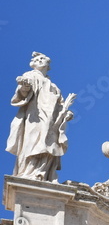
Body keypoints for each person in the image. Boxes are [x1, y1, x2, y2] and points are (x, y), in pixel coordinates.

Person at [7, 52, 75, 181]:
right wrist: (24, 87)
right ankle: (29, 172)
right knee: (33, 141)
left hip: (52, 121)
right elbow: (21, 94)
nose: (39, 61)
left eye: (42, 59)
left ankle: (43, 173)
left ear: (48, 65)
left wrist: (66, 113)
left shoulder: (54, 86)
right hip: (35, 116)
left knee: (49, 144)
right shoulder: (30, 75)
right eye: (37, 59)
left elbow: (60, 104)